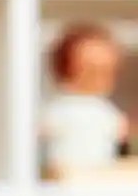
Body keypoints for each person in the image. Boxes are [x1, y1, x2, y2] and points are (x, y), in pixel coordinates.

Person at [43, 24, 129, 174]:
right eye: (90, 71)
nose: (97, 80)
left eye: (105, 72)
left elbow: (118, 131)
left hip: (101, 174)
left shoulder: (104, 110)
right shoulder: (63, 108)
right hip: (66, 172)